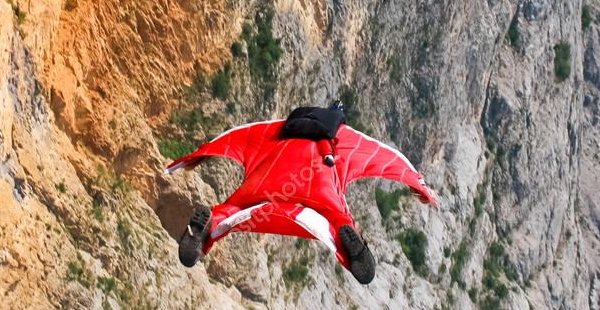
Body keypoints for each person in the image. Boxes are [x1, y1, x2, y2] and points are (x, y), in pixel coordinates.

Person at [164, 102, 437, 284]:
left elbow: (232, 137)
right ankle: (357, 254)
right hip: (319, 189)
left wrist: (191, 158)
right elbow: (386, 158)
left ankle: (204, 229)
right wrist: (419, 186)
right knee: (339, 221)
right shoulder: (346, 139)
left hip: (265, 183)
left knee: (233, 209)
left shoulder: (272, 131)